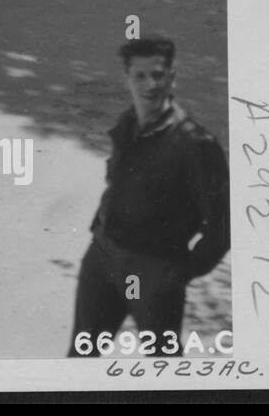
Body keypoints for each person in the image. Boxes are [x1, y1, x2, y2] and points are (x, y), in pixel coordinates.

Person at [69, 36, 229, 356]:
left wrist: (181, 272)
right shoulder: (127, 123)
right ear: (126, 78)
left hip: (154, 272)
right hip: (103, 259)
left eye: (158, 74)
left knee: (163, 371)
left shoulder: (195, 144)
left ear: (172, 76)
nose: (150, 84)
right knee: (79, 360)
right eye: (140, 76)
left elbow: (222, 226)